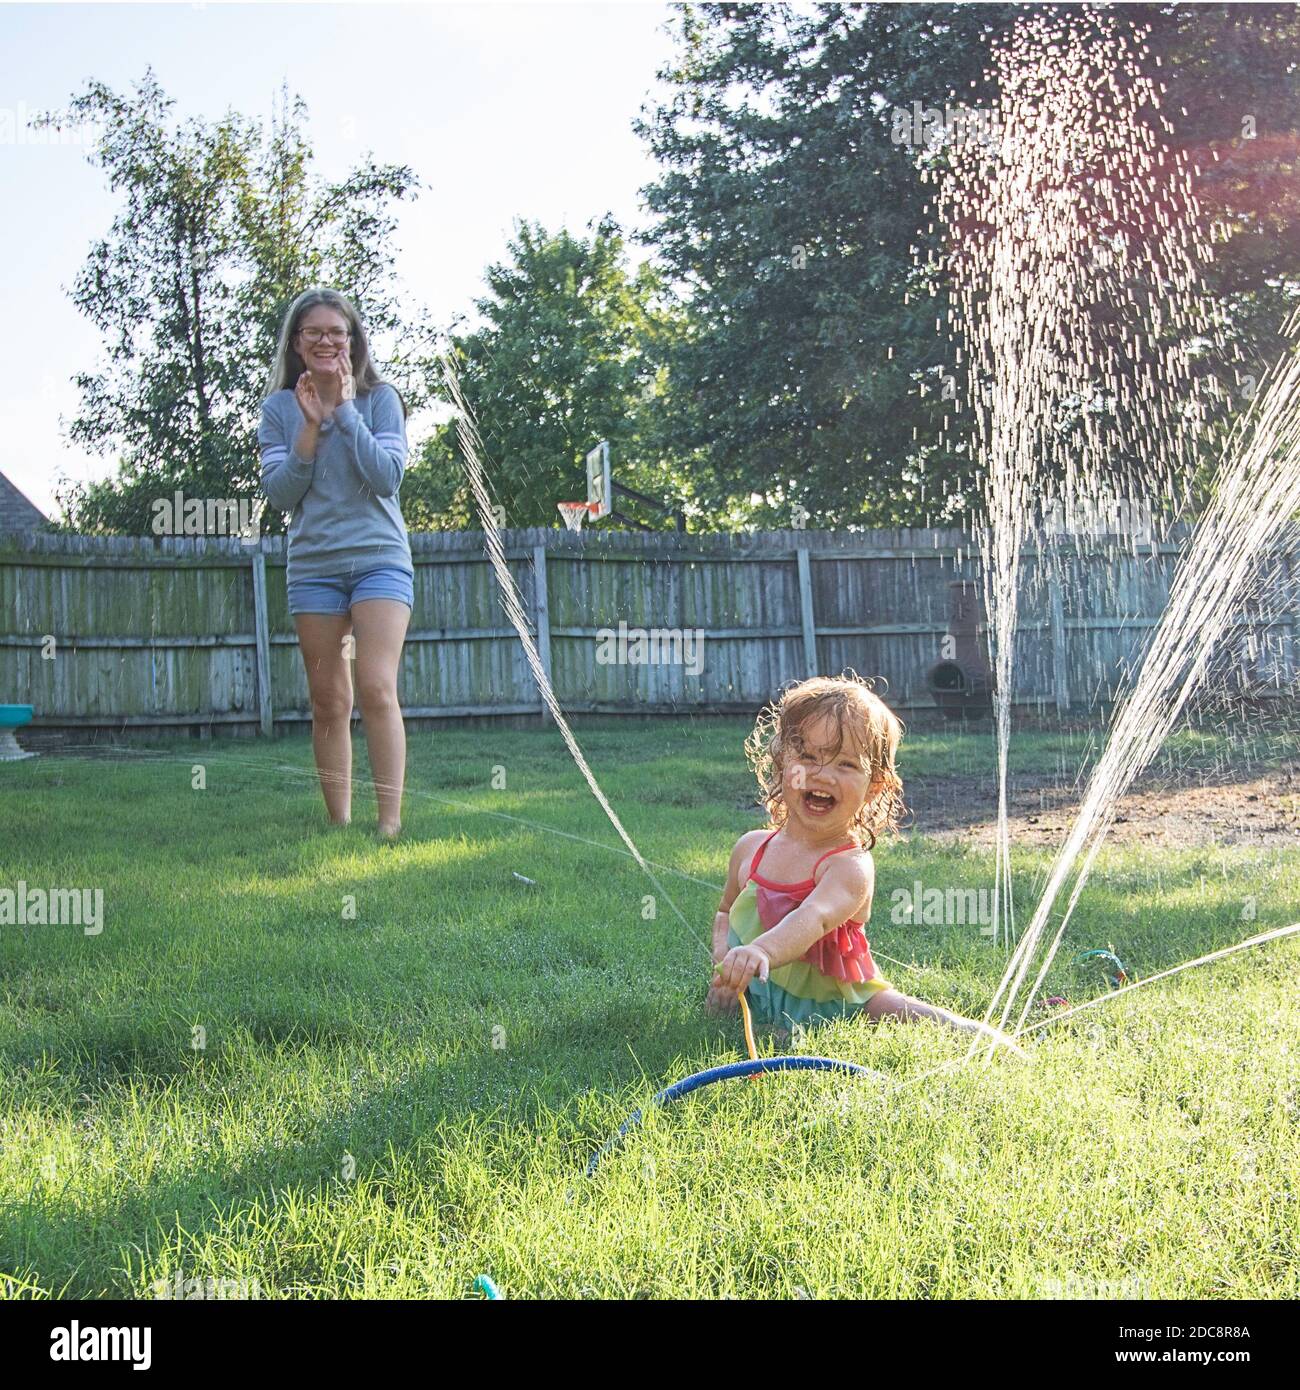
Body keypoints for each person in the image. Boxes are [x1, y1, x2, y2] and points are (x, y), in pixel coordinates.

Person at [710, 674, 1027, 1060]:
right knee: (727, 1028)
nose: (822, 774)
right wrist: (727, 967)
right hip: (759, 989)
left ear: (874, 785)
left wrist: (758, 950)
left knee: (894, 1010)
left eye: (845, 763)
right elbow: (726, 912)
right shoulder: (751, 849)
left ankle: (982, 1038)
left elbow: (813, 918)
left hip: (839, 997)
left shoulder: (849, 866)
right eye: (808, 756)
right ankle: (774, 1022)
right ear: (781, 764)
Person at [258, 288, 413, 837]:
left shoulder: (381, 400)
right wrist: (307, 428)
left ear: (352, 340)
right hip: (315, 567)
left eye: (335, 331)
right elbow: (279, 496)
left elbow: (386, 477)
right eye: (313, 332)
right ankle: (339, 823)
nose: (325, 340)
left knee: (375, 687)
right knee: (329, 700)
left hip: (379, 561)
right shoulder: (277, 409)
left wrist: (344, 412)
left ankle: (388, 824)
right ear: (297, 344)